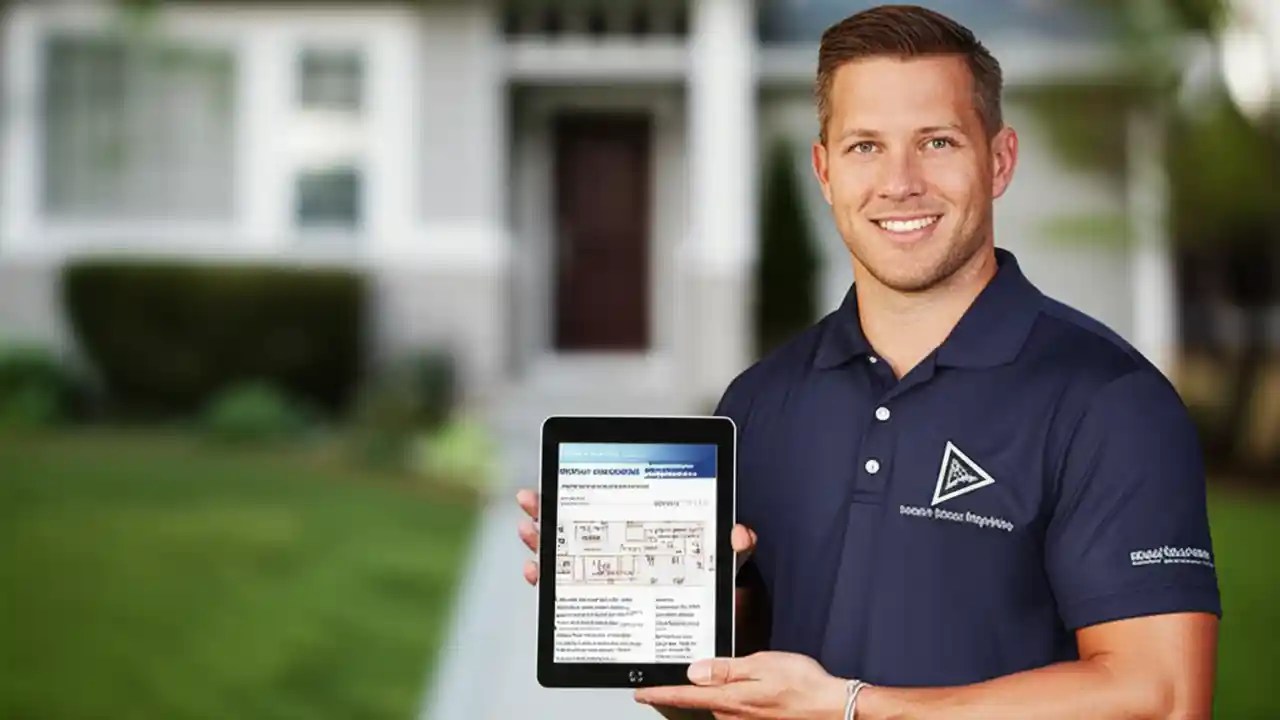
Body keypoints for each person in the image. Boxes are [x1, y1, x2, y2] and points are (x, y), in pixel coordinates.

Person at [516, 5, 1221, 718]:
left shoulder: (1111, 402)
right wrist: (655, 607)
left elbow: (1162, 696)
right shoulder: (761, 400)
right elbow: (739, 696)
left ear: (999, 159)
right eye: (864, 147)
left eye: (937, 141)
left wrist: (857, 707)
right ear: (824, 170)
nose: (900, 181)